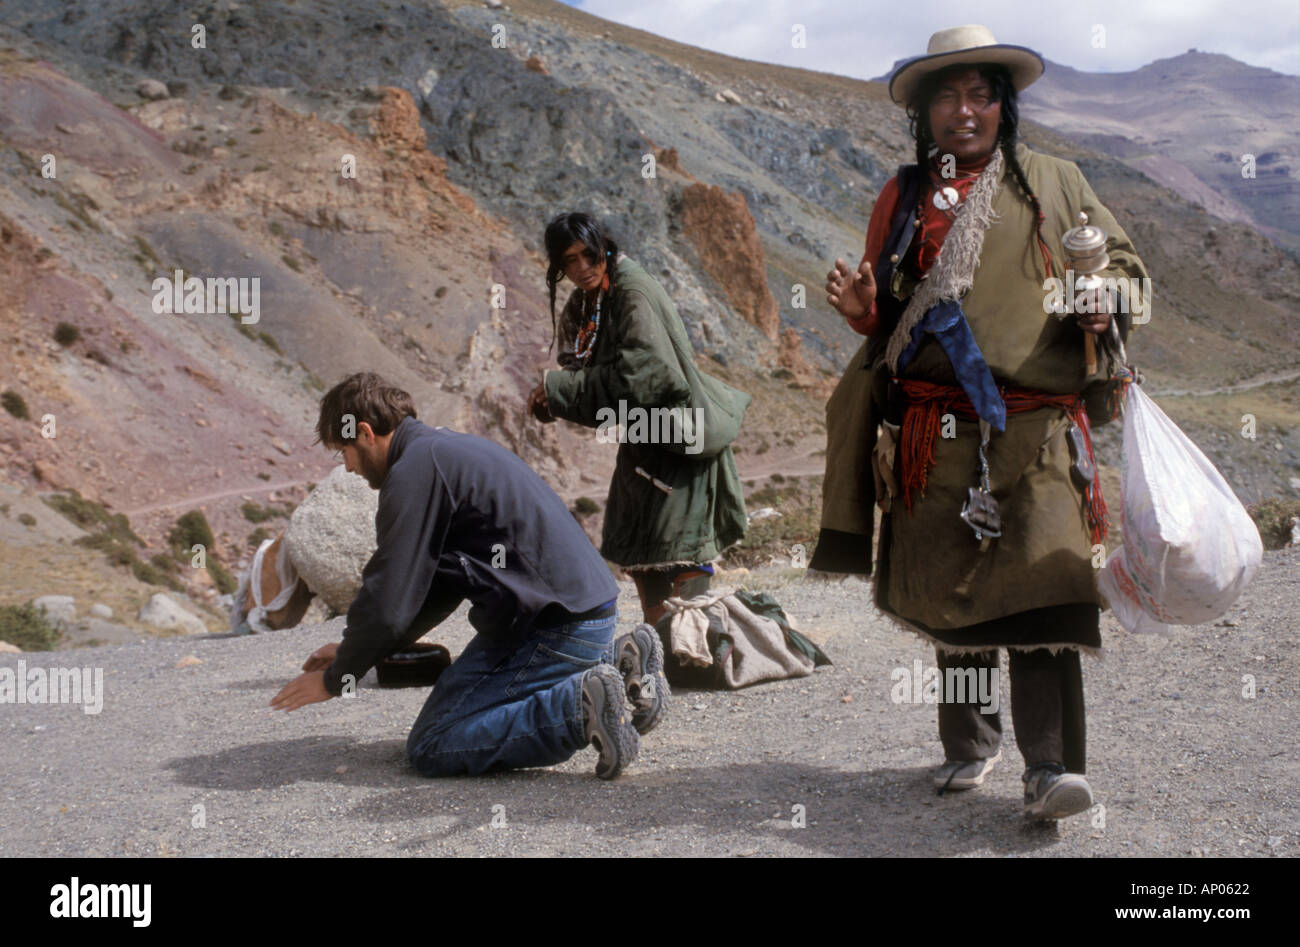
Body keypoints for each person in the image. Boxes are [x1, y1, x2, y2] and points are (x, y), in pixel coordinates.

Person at [815, 26, 1149, 819]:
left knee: (1046, 593)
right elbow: (892, 317)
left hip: (1033, 434)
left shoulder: (1056, 184)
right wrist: (865, 315)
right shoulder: (901, 198)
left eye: (980, 95)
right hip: (936, 432)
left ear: (1004, 107)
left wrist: (1105, 301)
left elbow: (1132, 278)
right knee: (956, 605)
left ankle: (1050, 766)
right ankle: (969, 744)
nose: (963, 112)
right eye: (947, 97)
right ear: (924, 113)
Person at [270, 371, 668, 780]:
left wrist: (337, 680)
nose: (349, 468)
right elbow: (434, 590)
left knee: (433, 743)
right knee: (469, 712)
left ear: (366, 432)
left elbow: (387, 600)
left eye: (345, 452)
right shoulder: (444, 452)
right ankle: (621, 668)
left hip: (555, 630)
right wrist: (352, 651)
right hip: (589, 616)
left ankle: (578, 709)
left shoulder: (412, 473)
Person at [527, 212, 751, 685]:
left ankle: (696, 663)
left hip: (681, 441)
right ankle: (665, 661)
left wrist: (562, 392)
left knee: (681, 550)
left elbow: (647, 377)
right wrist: (561, 396)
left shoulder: (632, 291)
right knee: (645, 548)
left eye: (589, 254)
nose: (583, 266)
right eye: (570, 261)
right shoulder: (589, 303)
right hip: (647, 439)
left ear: (603, 246)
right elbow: (592, 375)